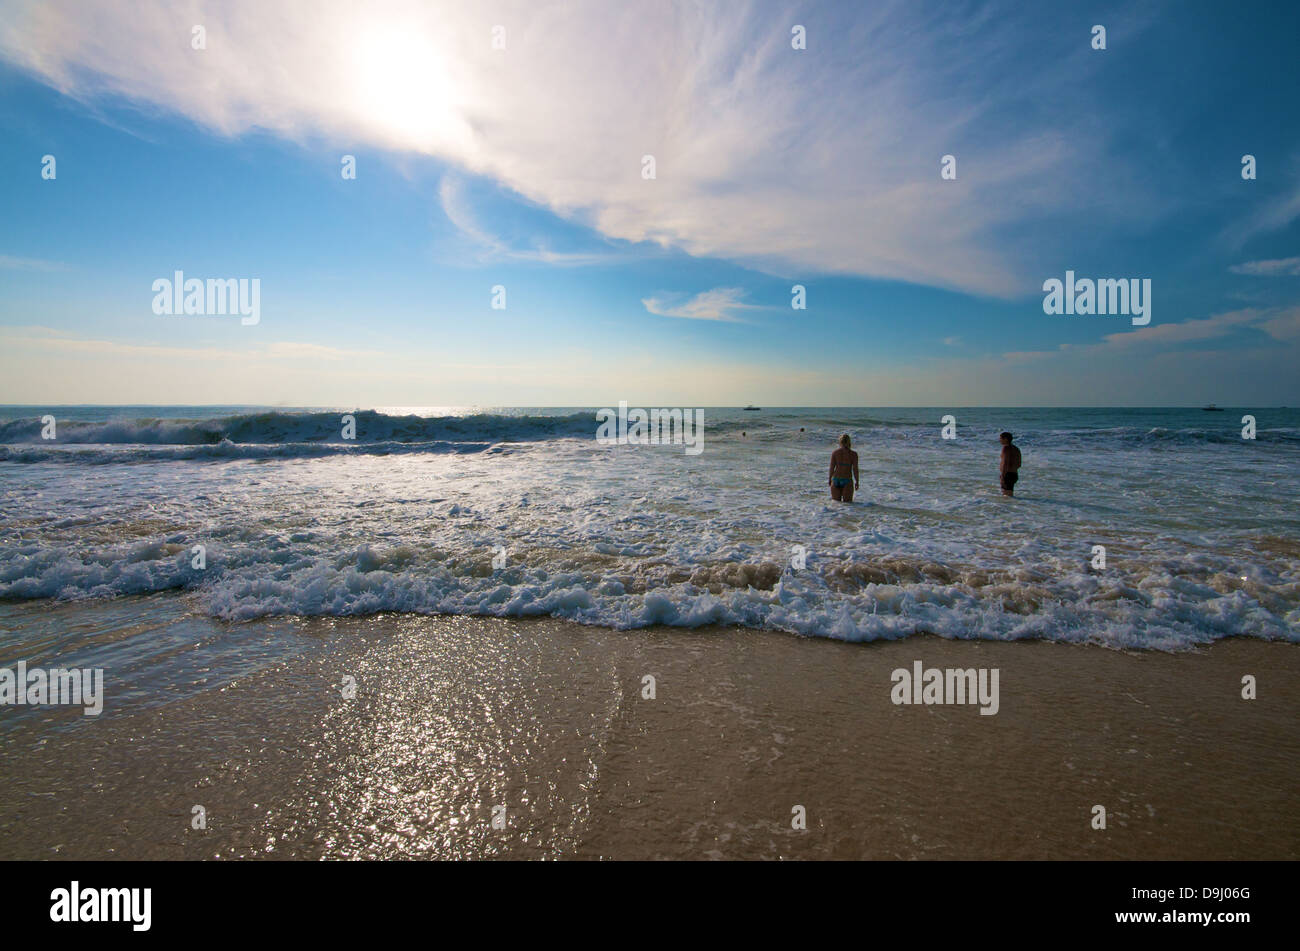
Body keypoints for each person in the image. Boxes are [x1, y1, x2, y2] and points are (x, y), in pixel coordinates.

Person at [828, 434, 859, 502]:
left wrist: (830, 479)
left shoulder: (835, 453)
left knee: (836, 505)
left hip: (836, 479)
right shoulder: (853, 454)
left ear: (840, 442)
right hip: (847, 480)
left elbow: (832, 467)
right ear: (849, 442)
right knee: (848, 505)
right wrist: (857, 481)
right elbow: (855, 469)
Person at [999, 431, 1022, 497]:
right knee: (1010, 495)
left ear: (1006, 439)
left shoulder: (1005, 448)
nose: (999, 440)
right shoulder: (1016, 449)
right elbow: (1019, 464)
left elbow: (1005, 463)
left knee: (1006, 496)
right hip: (1014, 474)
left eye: (1001, 438)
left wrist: (1003, 476)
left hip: (1007, 474)